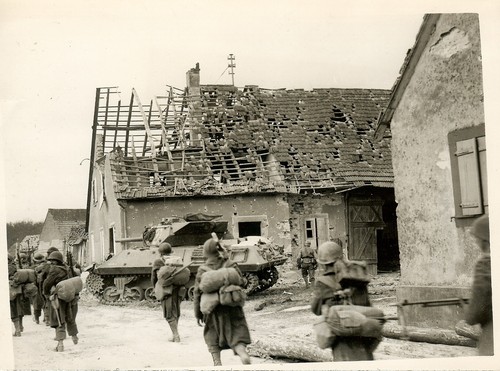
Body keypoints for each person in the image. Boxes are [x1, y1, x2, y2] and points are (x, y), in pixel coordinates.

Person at [311, 241, 376, 361]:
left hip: (341, 338)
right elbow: (367, 304)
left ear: (323, 264)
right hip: (364, 333)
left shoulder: (322, 282)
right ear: (341, 258)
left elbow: (315, 309)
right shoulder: (357, 277)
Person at [193, 238, 251, 366]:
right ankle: (242, 352)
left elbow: (197, 292)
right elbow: (242, 282)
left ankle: (217, 362)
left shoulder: (203, 269)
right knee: (237, 332)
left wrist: (198, 314)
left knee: (212, 334)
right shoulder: (230, 264)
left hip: (212, 309)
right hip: (231, 305)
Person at [465, 214, 493, 356]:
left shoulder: (485, 264)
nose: (476, 242)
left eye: (477, 239)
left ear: (484, 240)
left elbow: (477, 309)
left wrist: (469, 316)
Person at [42, 250, 79, 352]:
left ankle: (60, 345)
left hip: (58, 298)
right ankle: (74, 336)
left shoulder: (54, 270)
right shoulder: (67, 268)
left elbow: (47, 283)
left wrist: (46, 294)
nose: (51, 262)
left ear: (55, 261)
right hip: (69, 296)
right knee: (70, 317)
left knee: (58, 318)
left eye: (52, 261)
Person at [151, 242, 186, 342]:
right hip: (178, 290)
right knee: (176, 312)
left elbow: (154, 277)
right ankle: (175, 334)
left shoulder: (158, 261)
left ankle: (176, 335)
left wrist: (155, 288)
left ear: (160, 253)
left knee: (168, 313)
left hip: (166, 290)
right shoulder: (176, 259)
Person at [8, 254, 31, 336]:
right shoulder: (15, 267)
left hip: (10, 290)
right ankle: (19, 328)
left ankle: (18, 330)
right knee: (18, 309)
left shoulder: (9, 267)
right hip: (17, 290)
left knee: (13, 310)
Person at [39, 247, 59, 326]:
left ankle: (47, 319)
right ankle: (48, 318)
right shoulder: (62, 264)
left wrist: (44, 289)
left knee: (47, 302)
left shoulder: (47, 266)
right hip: (54, 286)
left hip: (49, 286)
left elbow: (42, 278)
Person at [31, 252, 46, 324]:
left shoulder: (33, 268)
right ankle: (46, 318)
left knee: (36, 303)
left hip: (36, 287)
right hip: (45, 286)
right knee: (46, 302)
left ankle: (37, 318)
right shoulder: (47, 266)